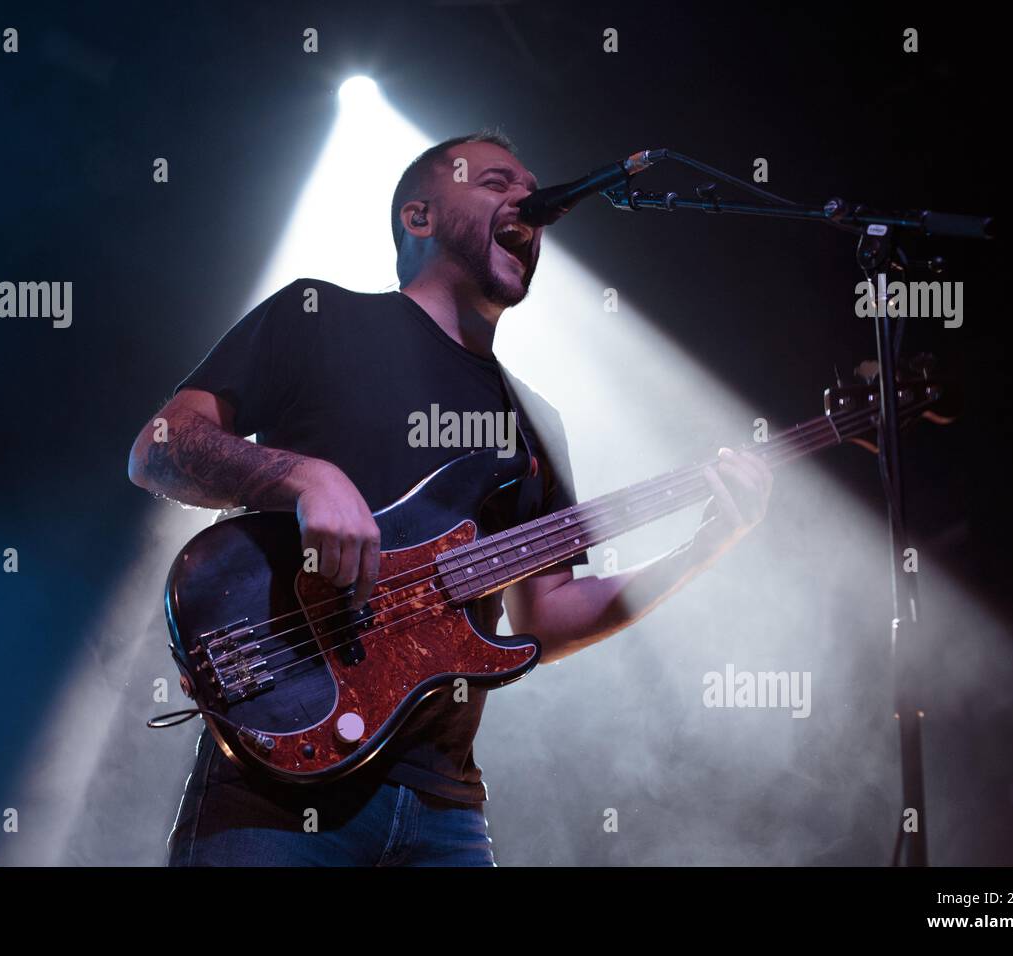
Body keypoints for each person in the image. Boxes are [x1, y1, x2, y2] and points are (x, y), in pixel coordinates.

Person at [127, 130, 773, 866]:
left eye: (530, 190)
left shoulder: (535, 426)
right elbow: (159, 447)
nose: (526, 201)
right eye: (497, 182)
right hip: (274, 791)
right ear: (419, 217)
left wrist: (699, 550)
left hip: (444, 812)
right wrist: (305, 476)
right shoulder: (319, 317)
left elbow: (547, 614)